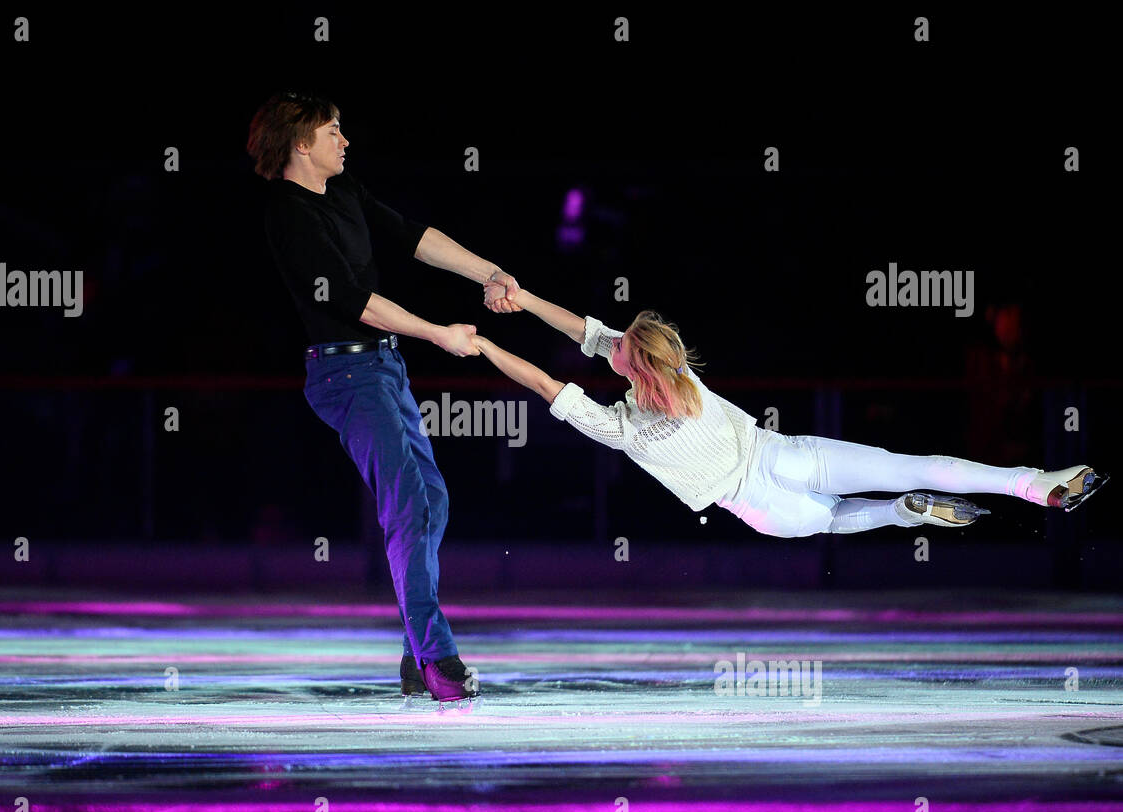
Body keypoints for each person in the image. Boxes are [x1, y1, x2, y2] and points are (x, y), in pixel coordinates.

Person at [249, 90, 521, 701]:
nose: (345, 141)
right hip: (345, 376)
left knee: (433, 500)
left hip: (384, 369)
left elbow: (413, 235)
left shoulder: (345, 192)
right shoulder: (287, 215)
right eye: (334, 131)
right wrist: (438, 334)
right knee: (410, 505)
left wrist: (489, 272)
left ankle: (413, 655)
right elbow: (352, 300)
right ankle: (438, 660)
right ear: (300, 143)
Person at [470, 289, 1109, 537]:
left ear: (628, 366)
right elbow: (595, 334)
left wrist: (483, 343)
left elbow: (548, 382)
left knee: (832, 525)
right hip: (782, 453)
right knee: (911, 463)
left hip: (758, 507)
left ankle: (897, 514)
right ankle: (1033, 483)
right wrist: (521, 296)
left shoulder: (625, 427)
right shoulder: (684, 378)